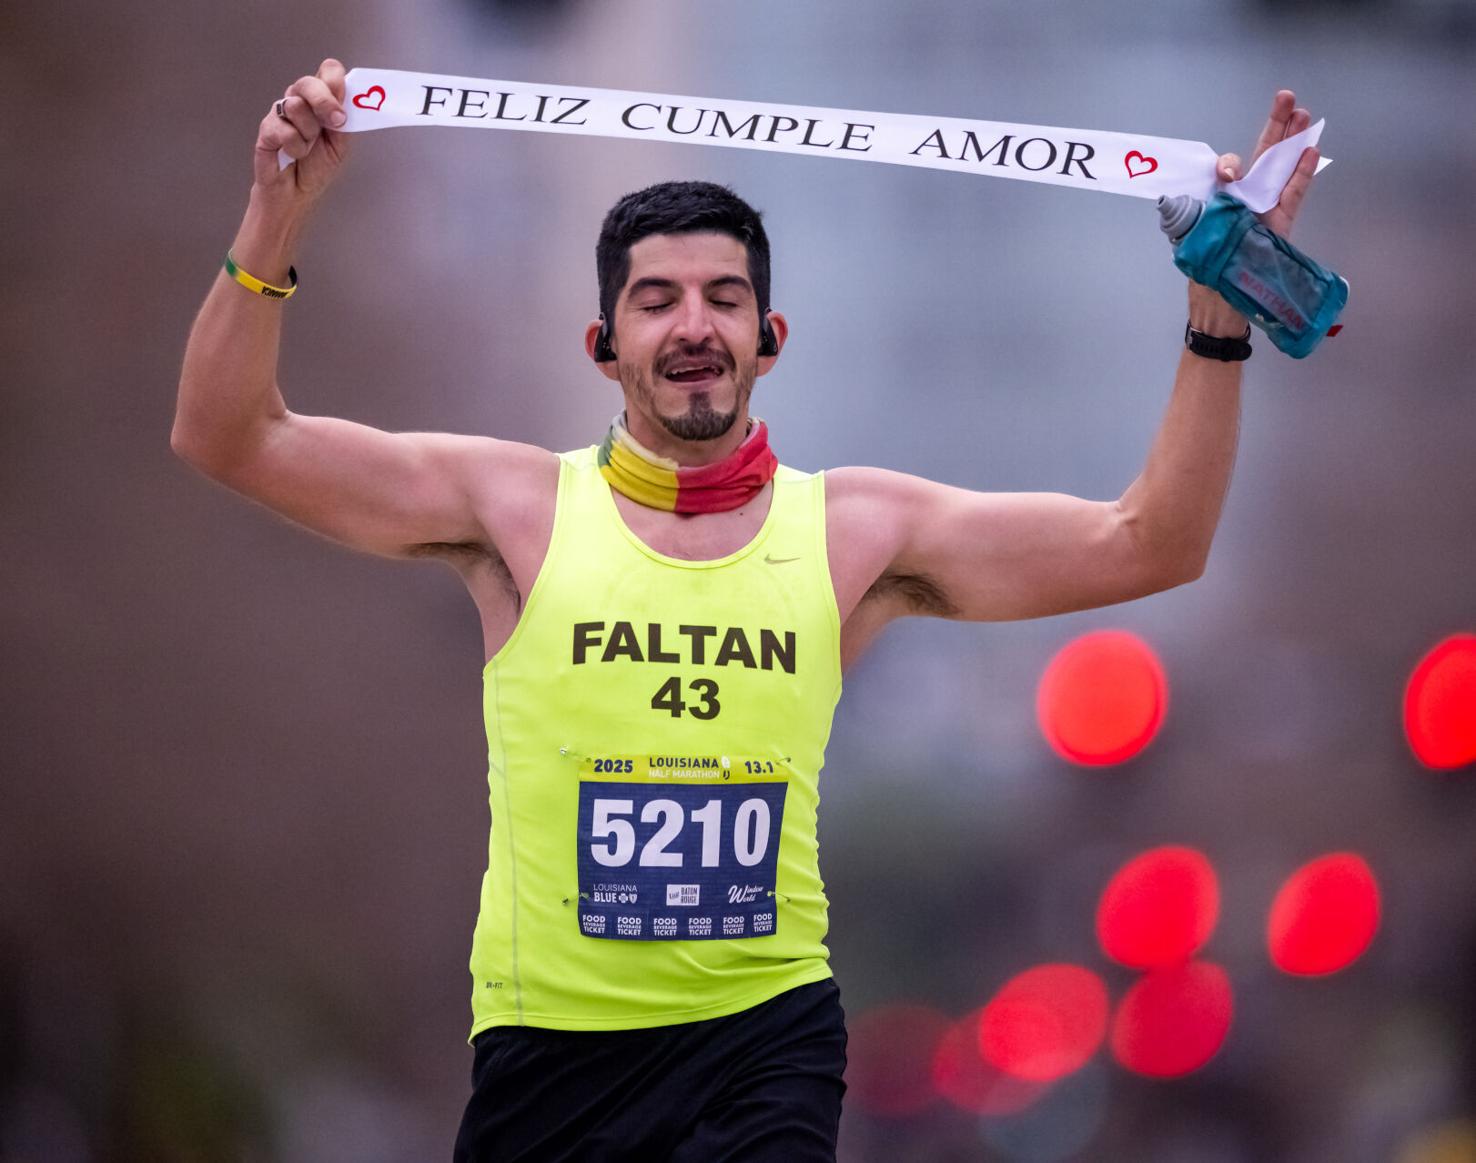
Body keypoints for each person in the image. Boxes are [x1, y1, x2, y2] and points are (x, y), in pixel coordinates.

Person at [172, 57, 1321, 1163]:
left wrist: (1217, 311)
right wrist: (277, 211)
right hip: (550, 1055)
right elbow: (230, 435)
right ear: (604, 345)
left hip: (761, 1042)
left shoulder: (856, 531)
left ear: (770, 343)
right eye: (657, 300)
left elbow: (1153, 542)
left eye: (726, 299)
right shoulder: (510, 507)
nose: (693, 325)